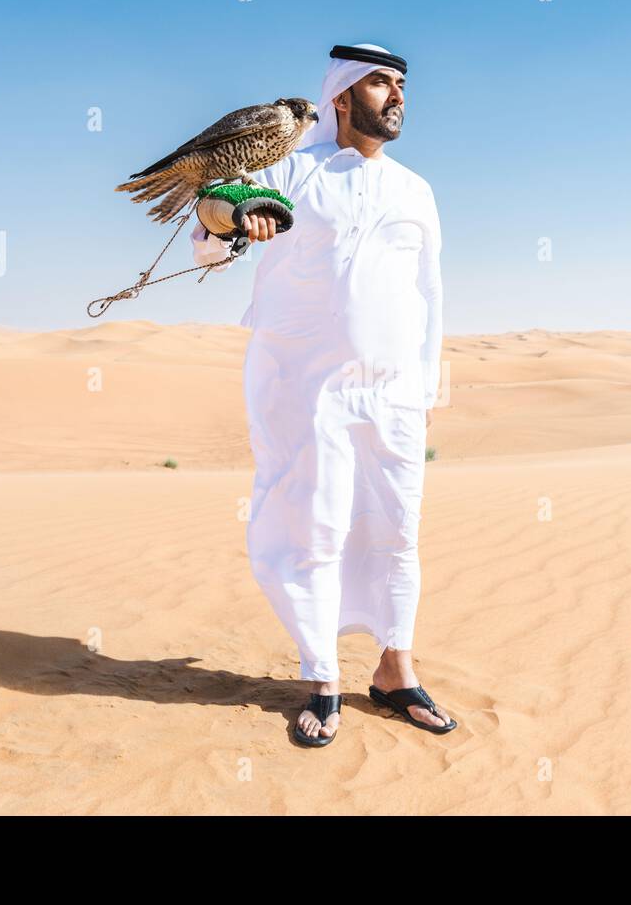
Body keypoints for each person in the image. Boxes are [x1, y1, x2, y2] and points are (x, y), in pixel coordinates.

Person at [191, 42, 456, 746]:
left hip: (393, 390)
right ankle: (323, 678)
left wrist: (428, 387)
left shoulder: (416, 190)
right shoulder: (287, 170)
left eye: (401, 84)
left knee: (399, 530)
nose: (396, 95)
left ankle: (396, 670)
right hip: (303, 387)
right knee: (317, 527)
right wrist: (232, 226)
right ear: (340, 96)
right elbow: (209, 236)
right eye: (380, 83)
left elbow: (430, 293)